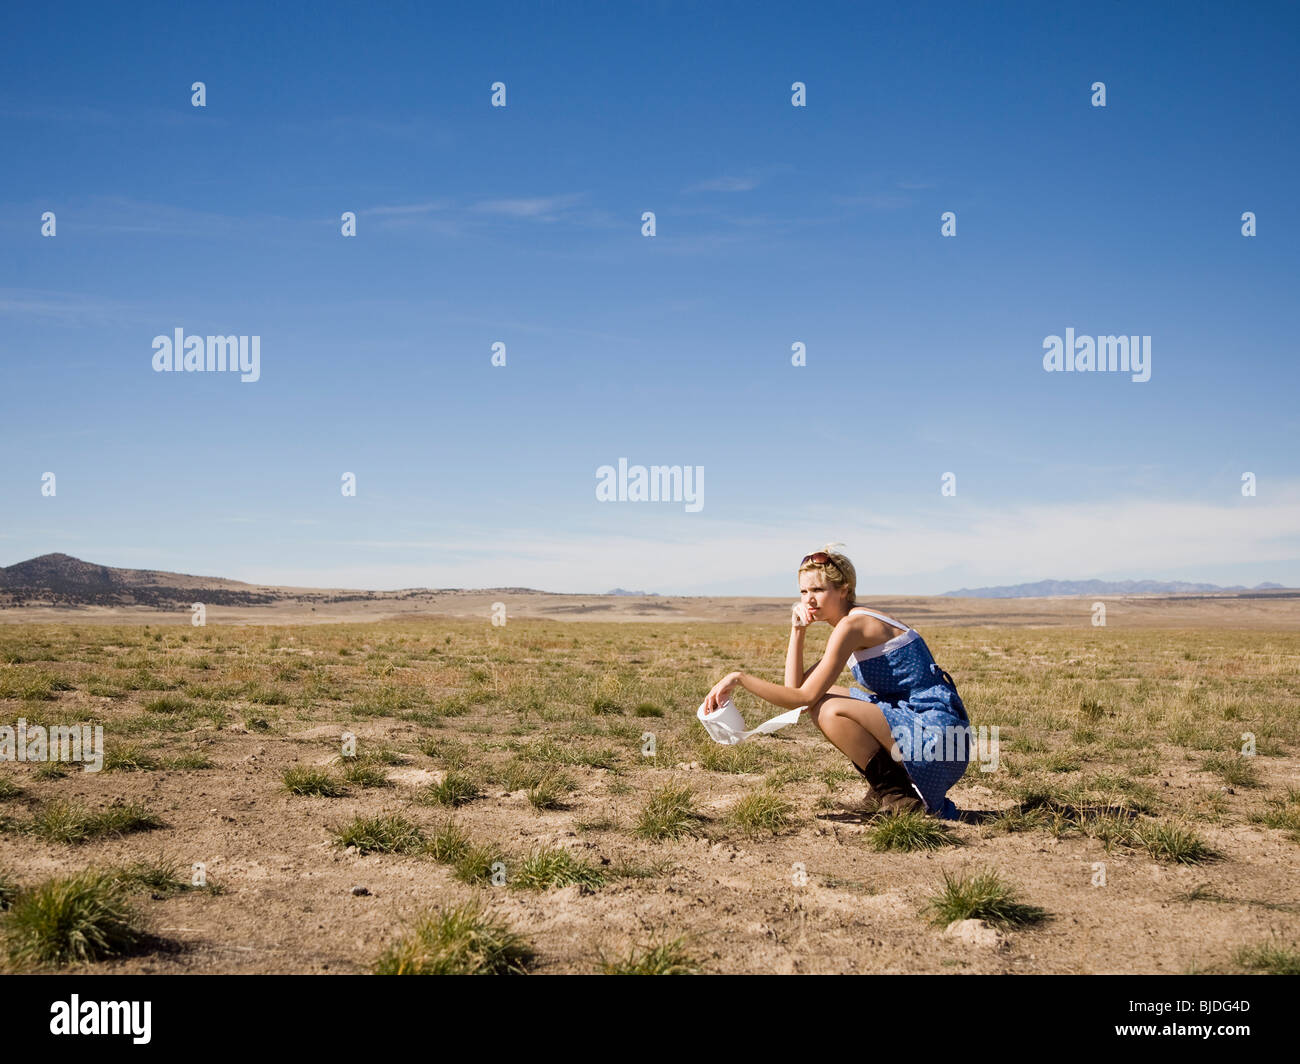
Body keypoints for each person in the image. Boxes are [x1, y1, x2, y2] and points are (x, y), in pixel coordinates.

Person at [702, 544, 970, 819]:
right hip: (926, 729)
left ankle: (899, 797)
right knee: (822, 698)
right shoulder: (851, 624)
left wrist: (739, 678)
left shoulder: (852, 627)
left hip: (940, 738)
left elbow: (802, 697)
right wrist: (797, 631)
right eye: (803, 592)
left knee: (829, 709)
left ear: (844, 590)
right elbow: (797, 692)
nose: (809, 600)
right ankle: (888, 791)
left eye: (818, 590)